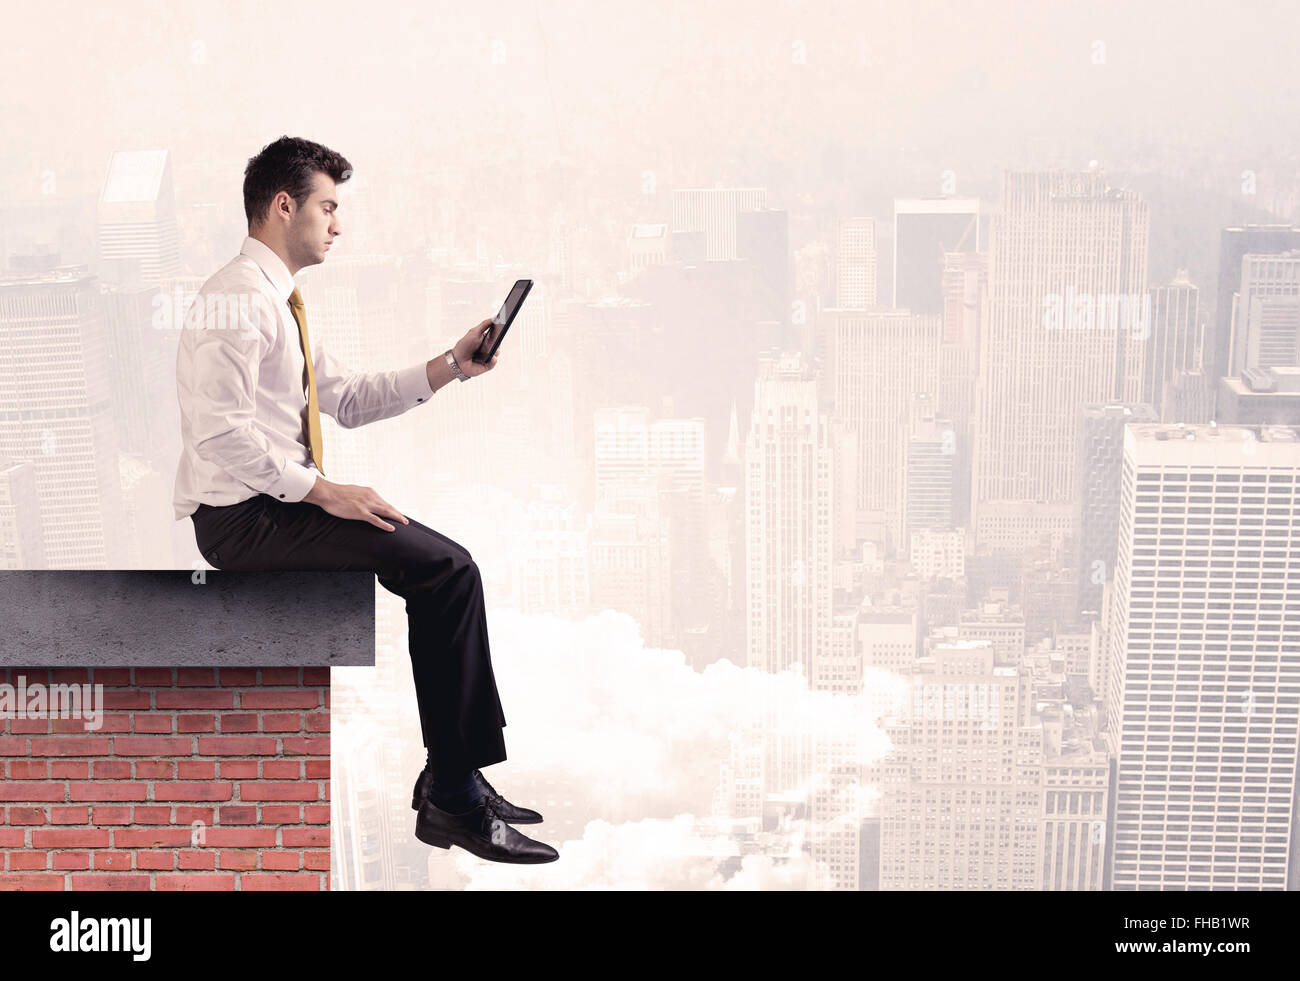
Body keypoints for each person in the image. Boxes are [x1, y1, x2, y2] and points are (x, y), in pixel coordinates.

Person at [172, 135, 557, 865]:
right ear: (283, 206)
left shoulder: (277, 299)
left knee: (446, 566)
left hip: (273, 504)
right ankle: (454, 796)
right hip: (239, 521)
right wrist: (326, 493)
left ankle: (455, 775)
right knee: (446, 568)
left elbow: (344, 398)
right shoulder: (232, 303)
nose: (337, 224)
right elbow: (219, 437)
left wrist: (453, 365)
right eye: (328, 205)